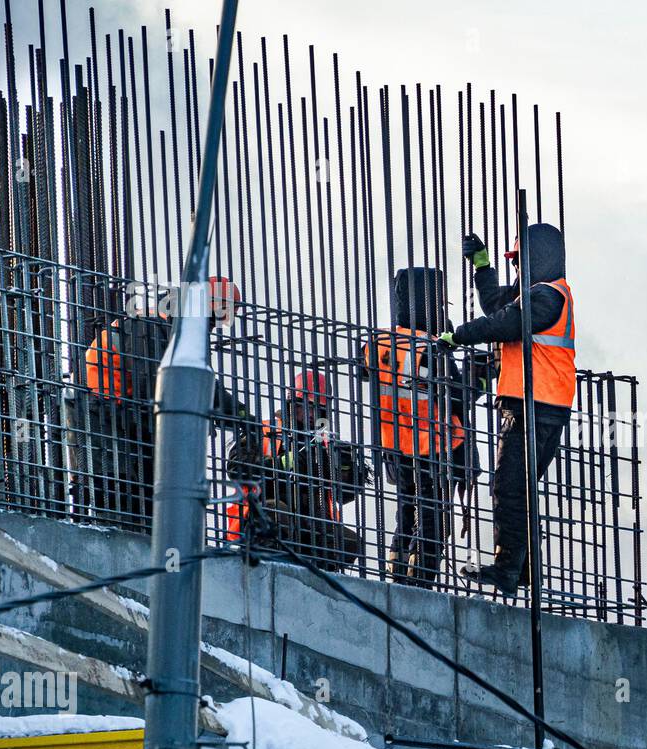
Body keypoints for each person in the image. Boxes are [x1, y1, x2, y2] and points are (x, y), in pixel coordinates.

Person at [439, 224, 574, 596]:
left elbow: (506, 322)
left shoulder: (549, 296)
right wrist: (483, 267)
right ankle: (523, 569)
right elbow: (499, 306)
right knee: (520, 488)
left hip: (536, 404)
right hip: (539, 403)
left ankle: (508, 569)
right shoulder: (534, 293)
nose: (516, 269)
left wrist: (458, 336)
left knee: (509, 488)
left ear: (538, 258)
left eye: (519, 261)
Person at [80, 276, 256, 529]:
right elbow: (153, 391)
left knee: (146, 498)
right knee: (123, 496)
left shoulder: (172, 330)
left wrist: (239, 414)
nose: (214, 327)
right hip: (101, 416)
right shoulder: (150, 327)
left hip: (119, 416)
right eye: (215, 319)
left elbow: (199, 384)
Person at [359, 266, 475, 586]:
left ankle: (396, 574)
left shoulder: (377, 343)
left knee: (406, 510)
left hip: (393, 444)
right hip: (430, 445)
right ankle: (423, 580)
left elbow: (365, 374)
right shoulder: (432, 347)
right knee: (433, 517)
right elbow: (459, 397)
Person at [225, 369, 366, 571]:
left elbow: (345, 495)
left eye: (317, 409)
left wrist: (345, 469)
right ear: (292, 404)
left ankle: (321, 580)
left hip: (308, 523)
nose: (310, 414)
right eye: (305, 407)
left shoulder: (324, 444)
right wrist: (285, 463)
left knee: (349, 542)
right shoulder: (265, 431)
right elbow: (236, 467)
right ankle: (268, 571)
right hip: (261, 518)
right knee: (276, 512)